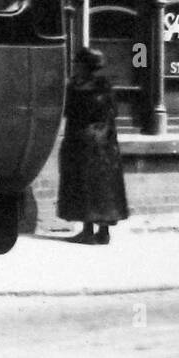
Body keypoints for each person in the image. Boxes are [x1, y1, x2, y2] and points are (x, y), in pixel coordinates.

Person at [58, 47, 128, 244]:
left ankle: (88, 231)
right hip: (105, 144)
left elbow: (69, 111)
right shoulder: (105, 86)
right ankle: (103, 231)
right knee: (104, 187)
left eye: (77, 64)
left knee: (84, 184)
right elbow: (114, 112)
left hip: (83, 141)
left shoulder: (77, 87)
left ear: (84, 66)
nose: (75, 67)